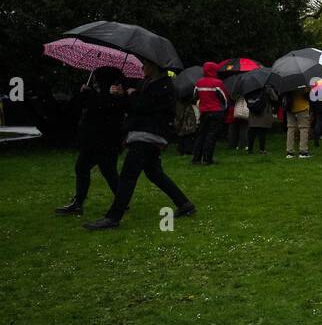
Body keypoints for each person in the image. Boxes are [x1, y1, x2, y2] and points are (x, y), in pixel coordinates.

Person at [84, 60, 195, 230]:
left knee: (128, 176)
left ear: (155, 66)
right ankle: (184, 204)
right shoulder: (150, 83)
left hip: (148, 135)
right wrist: (125, 94)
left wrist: (131, 94)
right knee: (154, 173)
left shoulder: (163, 86)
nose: (142, 67)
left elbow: (143, 106)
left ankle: (113, 217)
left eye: (146, 64)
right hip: (145, 134)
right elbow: (138, 106)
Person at [54, 66, 126, 216]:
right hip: (102, 141)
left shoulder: (112, 95)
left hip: (101, 142)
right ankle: (120, 201)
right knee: (105, 171)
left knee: (93, 169)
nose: (93, 81)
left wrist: (88, 95)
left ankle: (81, 203)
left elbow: (101, 110)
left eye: (96, 78)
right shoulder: (107, 94)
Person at [191, 61, 228, 165]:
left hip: (204, 112)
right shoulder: (218, 83)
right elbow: (224, 99)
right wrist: (223, 109)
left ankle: (196, 158)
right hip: (216, 112)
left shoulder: (199, 82)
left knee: (201, 135)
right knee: (211, 136)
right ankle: (207, 159)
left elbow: (195, 97)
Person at [245, 84, 277, 154]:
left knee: (251, 132)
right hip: (264, 113)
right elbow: (275, 98)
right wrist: (271, 89)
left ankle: (250, 150)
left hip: (253, 113)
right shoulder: (267, 88)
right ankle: (262, 150)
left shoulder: (250, 88)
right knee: (262, 132)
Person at [284, 86, 312, 158]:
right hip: (302, 108)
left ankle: (289, 152)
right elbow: (307, 95)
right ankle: (303, 152)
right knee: (304, 129)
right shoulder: (303, 83)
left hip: (290, 108)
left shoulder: (287, 82)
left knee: (290, 129)